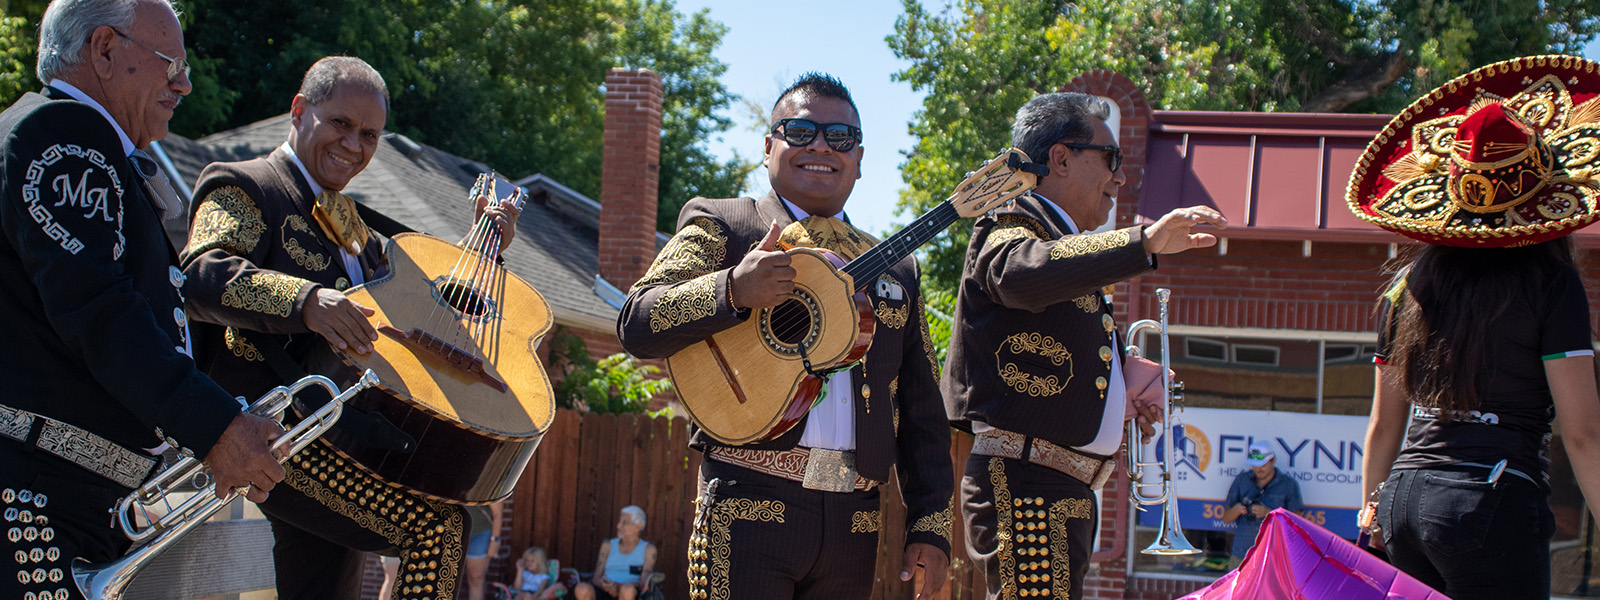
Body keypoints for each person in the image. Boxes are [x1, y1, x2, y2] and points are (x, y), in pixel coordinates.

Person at [178, 56, 520, 600]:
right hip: (271, 435)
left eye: (369, 134)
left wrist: (483, 250)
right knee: (438, 529)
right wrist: (306, 299)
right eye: (340, 123)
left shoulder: (359, 227)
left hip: (343, 438)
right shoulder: (246, 185)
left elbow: (430, 305)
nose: (354, 145)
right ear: (298, 110)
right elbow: (199, 274)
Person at [617, 72, 953, 599]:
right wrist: (732, 289)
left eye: (840, 138)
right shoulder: (726, 225)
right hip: (748, 505)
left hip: (855, 522)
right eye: (800, 131)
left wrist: (931, 525)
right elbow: (636, 321)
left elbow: (923, 409)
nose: (821, 145)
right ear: (769, 146)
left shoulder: (898, 269)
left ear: (859, 161)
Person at [0, 1, 286, 597]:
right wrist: (216, 428)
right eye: (170, 62)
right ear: (104, 50)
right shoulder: (65, 136)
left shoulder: (75, 142)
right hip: (40, 494)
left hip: (75, 499)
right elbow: (102, 314)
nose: (184, 83)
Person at [941, 91, 1226, 600]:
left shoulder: (1058, 242)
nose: (1120, 177)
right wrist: (1144, 242)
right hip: (1026, 485)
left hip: (1055, 486)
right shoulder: (1011, 219)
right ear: (1061, 158)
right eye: (1111, 159)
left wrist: (1123, 381)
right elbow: (1020, 274)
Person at [1350, 56, 1600, 600]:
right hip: (1489, 502)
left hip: (1403, 502)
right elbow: (1582, 434)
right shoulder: (1552, 284)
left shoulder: (1408, 285)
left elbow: (1383, 427)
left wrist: (1369, 519)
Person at [1220, 440, 1303, 569]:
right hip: (1242, 555)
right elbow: (1226, 519)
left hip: (1273, 556)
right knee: (1237, 590)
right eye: (1254, 465)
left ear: (1273, 460)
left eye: (1262, 465)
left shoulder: (1288, 485)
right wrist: (1237, 509)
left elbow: (1297, 524)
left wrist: (1269, 513)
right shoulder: (1242, 480)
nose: (1258, 469)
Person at [573, 506, 656, 600]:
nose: (618, 526)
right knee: (582, 588)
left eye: (624, 523)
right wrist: (605, 586)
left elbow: (643, 582)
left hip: (631, 593)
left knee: (627, 590)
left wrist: (618, 586)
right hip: (604, 589)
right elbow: (596, 577)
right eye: (619, 522)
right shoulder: (607, 545)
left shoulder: (648, 549)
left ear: (638, 527)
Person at [466, 500, 508, 600]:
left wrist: (494, 540)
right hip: (455, 532)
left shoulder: (486, 483)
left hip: (480, 534)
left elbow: (498, 514)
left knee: (476, 578)